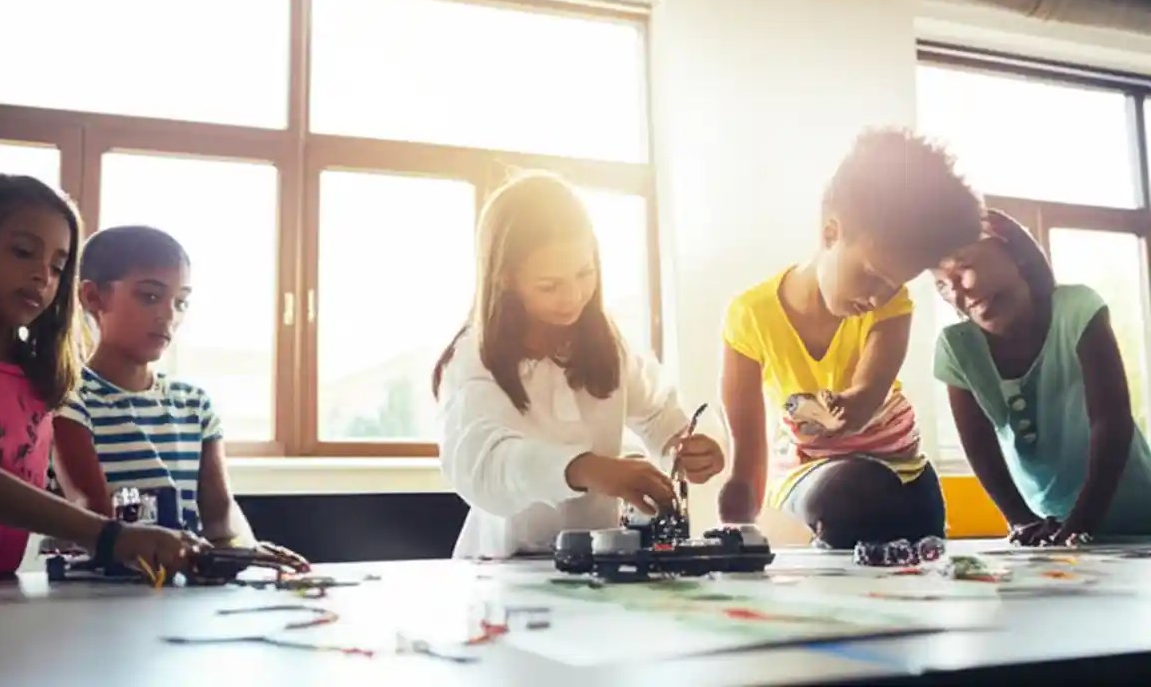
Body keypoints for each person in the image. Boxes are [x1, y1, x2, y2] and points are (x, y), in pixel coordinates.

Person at [0, 175, 197, 686]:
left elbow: (34, 493)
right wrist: (110, 536)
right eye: (23, 252)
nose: (43, 276)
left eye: (58, 265)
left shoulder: (40, 380)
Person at [434, 171, 725, 559]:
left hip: (599, 565)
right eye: (548, 286)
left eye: (584, 274)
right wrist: (586, 469)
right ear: (505, 279)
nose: (572, 297)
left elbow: (663, 414)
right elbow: (482, 465)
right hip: (502, 569)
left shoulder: (608, 343)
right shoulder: (473, 356)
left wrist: (692, 445)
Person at [719, 129, 983, 548]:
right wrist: (734, 525)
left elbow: (865, 397)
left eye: (893, 284)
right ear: (830, 232)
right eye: (873, 276)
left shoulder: (892, 305)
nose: (877, 296)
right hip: (819, 472)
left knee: (916, 538)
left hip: (905, 470)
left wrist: (850, 404)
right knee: (852, 493)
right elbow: (747, 449)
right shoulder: (749, 316)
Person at [933, 209, 1151, 544]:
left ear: (1015, 257)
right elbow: (981, 451)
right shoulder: (956, 348)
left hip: (1136, 513)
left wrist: (1080, 525)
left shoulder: (1076, 308)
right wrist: (1022, 522)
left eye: (963, 268)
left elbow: (1111, 420)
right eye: (942, 285)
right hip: (1048, 525)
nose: (957, 292)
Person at [53, 226, 254, 547]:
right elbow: (93, 514)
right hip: (96, 591)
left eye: (181, 302)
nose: (168, 315)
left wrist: (250, 555)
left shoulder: (194, 405)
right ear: (92, 297)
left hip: (185, 587)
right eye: (149, 296)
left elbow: (219, 519)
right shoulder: (69, 400)